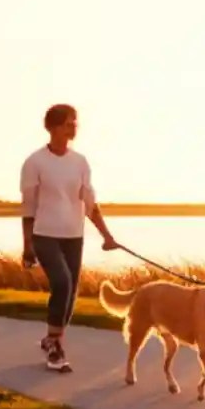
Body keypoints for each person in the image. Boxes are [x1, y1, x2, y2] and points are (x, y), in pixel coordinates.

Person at [20, 103, 120, 371]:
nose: (74, 127)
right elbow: (28, 208)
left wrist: (107, 236)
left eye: (75, 122)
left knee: (71, 293)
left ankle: (53, 339)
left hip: (74, 236)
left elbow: (89, 202)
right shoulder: (35, 162)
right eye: (68, 123)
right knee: (62, 283)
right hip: (45, 234)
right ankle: (55, 346)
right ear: (53, 127)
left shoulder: (80, 162)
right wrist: (27, 246)